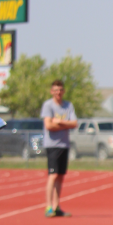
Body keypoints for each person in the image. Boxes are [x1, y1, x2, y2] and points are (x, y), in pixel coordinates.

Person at [41, 80, 78, 217]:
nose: (58, 92)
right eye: (56, 90)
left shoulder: (68, 105)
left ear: (63, 91)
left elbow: (74, 123)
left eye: (61, 90)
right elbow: (49, 126)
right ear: (52, 91)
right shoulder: (48, 105)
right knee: (53, 175)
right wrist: (65, 125)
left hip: (64, 144)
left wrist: (60, 122)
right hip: (52, 145)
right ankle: (48, 206)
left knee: (61, 176)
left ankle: (57, 206)